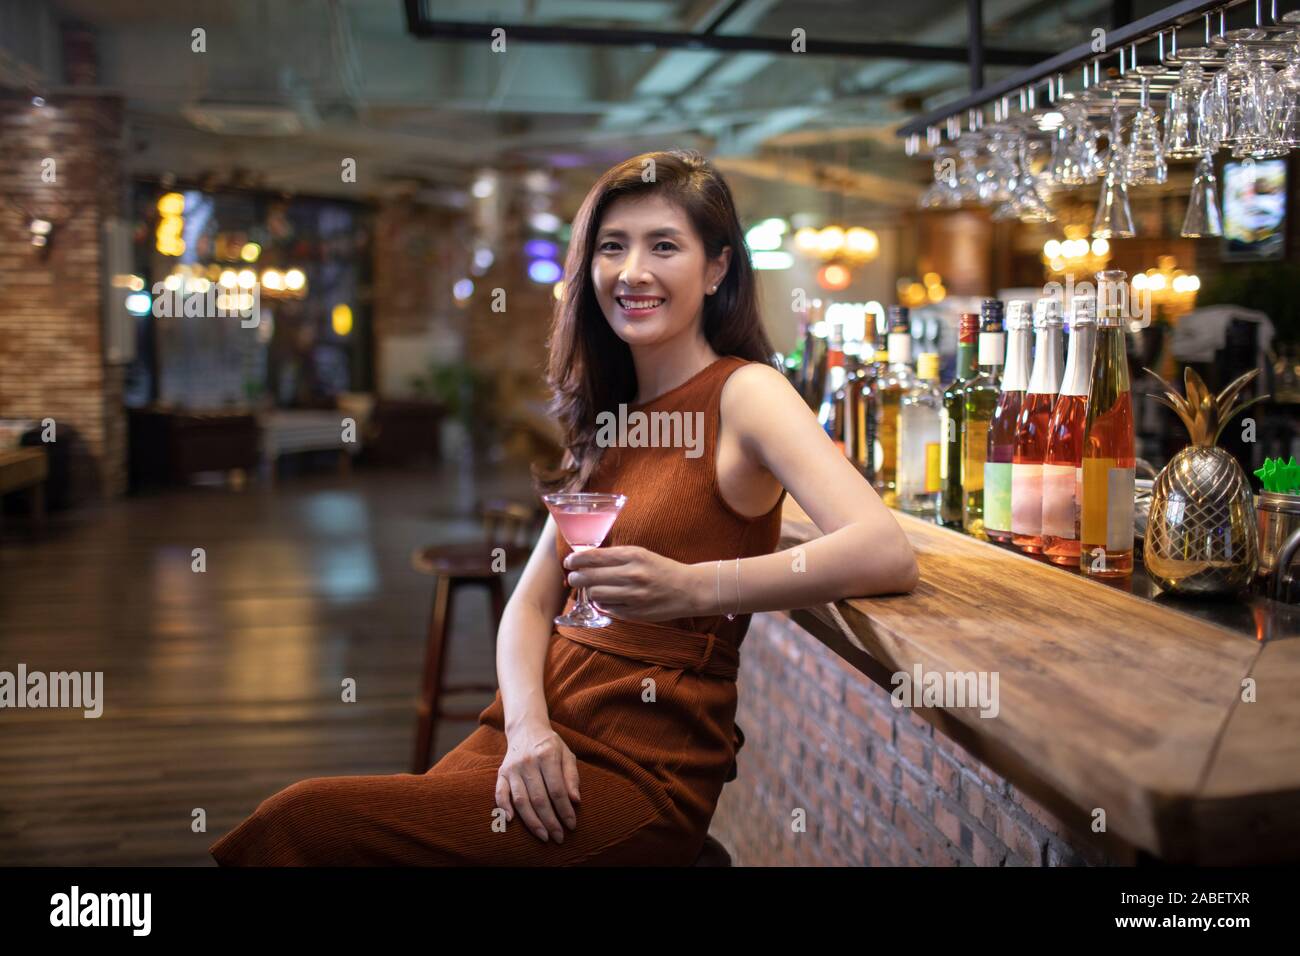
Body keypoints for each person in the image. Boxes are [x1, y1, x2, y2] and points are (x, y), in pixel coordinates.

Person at [208, 149, 919, 866]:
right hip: (531, 735)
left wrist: (695, 586)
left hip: (639, 764)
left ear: (716, 270)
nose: (632, 270)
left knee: (298, 826)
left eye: (663, 245)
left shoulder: (747, 393)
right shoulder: (612, 416)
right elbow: (529, 604)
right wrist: (525, 729)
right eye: (612, 247)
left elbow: (881, 549)